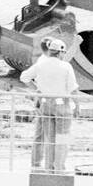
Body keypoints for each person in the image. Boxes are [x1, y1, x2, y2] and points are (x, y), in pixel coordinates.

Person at [19, 37, 77, 173]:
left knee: (49, 138)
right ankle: (60, 168)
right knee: (63, 137)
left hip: (45, 103)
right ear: (60, 52)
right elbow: (73, 88)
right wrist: (78, 104)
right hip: (62, 104)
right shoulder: (66, 66)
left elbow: (24, 77)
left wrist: (37, 89)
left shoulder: (41, 64)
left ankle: (48, 167)